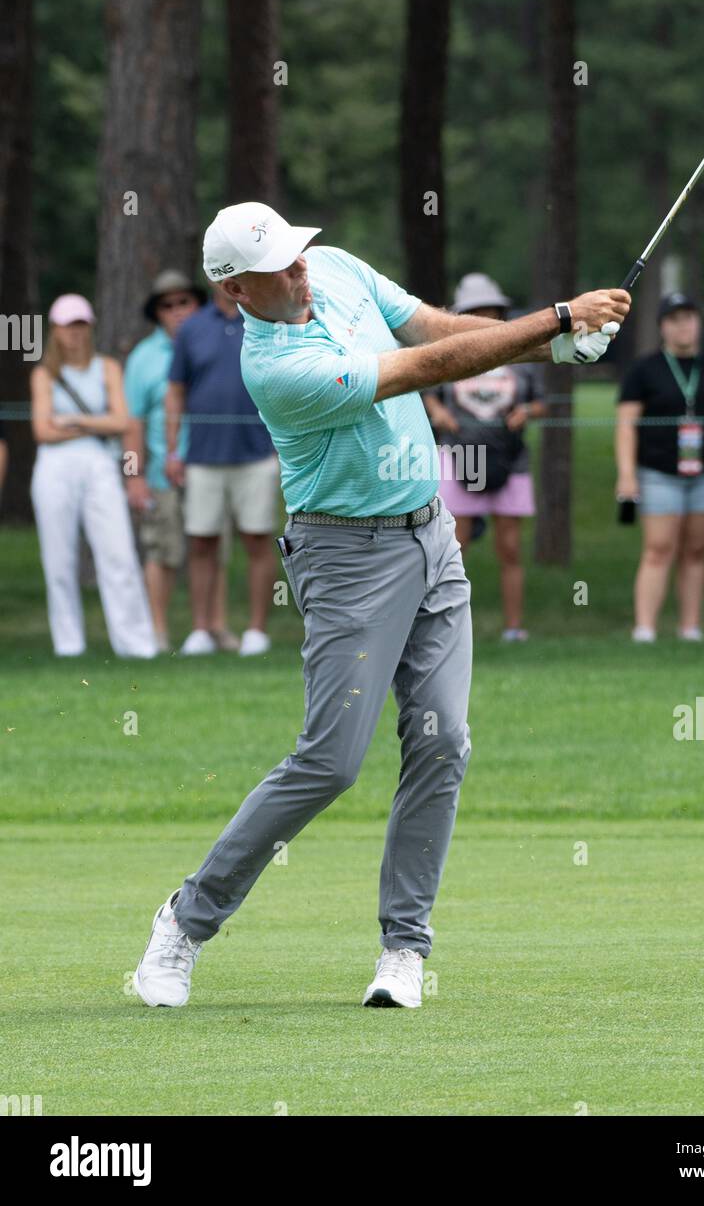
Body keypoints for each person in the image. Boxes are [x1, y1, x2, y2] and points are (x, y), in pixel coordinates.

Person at [133, 201, 630, 1012]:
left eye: (296, 253)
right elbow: (421, 371)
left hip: (431, 539)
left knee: (444, 740)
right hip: (345, 559)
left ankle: (404, 948)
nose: (299, 269)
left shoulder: (331, 268)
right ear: (235, 292)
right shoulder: (277, 367)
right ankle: (186, 921)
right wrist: (561, 316)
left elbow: (430, 328)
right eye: (278, 267)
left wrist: (554, 345)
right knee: (330, 762)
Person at [616, 292, 704, 643]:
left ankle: (690, 627)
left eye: (689, 317)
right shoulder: (645, 370)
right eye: (675, 319)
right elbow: (626, 424)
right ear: (663, 326)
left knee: (696, 549)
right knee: (659, 547)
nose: (684, 325)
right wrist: (627, 474)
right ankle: (645, 628)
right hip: (658, 470)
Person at [29, 293, 157, 658]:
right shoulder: (44, 374)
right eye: (69, 326)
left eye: (81, 325)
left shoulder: (107, 368)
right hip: (55, 466)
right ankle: (68, 644)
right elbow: (43, 431)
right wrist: (95, 424)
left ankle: (136, 643)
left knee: (118, 553)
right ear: (55, 330)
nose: (75, 333)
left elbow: (121, 420)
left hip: (100, 463)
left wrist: (75, 421)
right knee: (58, 559)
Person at [423, 272, 548, 642]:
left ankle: (514, 627)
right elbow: (425, 387)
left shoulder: (521, 356)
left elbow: (540, 401)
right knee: (454, 547)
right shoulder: (450, 350)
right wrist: (437, 412)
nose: (485, 316)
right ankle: (446, 626)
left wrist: (529, 412)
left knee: (509, 547)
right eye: (476, 310)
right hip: (462, 453)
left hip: (510, 459)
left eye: (490, 310)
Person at [165, 278, 281, 656]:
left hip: (258, 453)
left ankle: (256, 631)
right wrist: (172, 451)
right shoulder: (193, 328)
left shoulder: (265, 321)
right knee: (201, 541)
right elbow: (176, 391)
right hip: (203, 456)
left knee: (256, 539)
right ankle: (201, 630)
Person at [124, 271, 207, 652]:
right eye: (167, 306)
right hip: (161, 473)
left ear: (197, 304)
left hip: (211, 464)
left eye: (184, 302)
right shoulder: (143, 358)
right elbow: (132, 424)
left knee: (209, 549)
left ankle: (207, 630)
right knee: (163, 552)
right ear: (157, 313)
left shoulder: (214, 342)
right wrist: (133, 475)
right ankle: (156, 632)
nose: (177, 312)